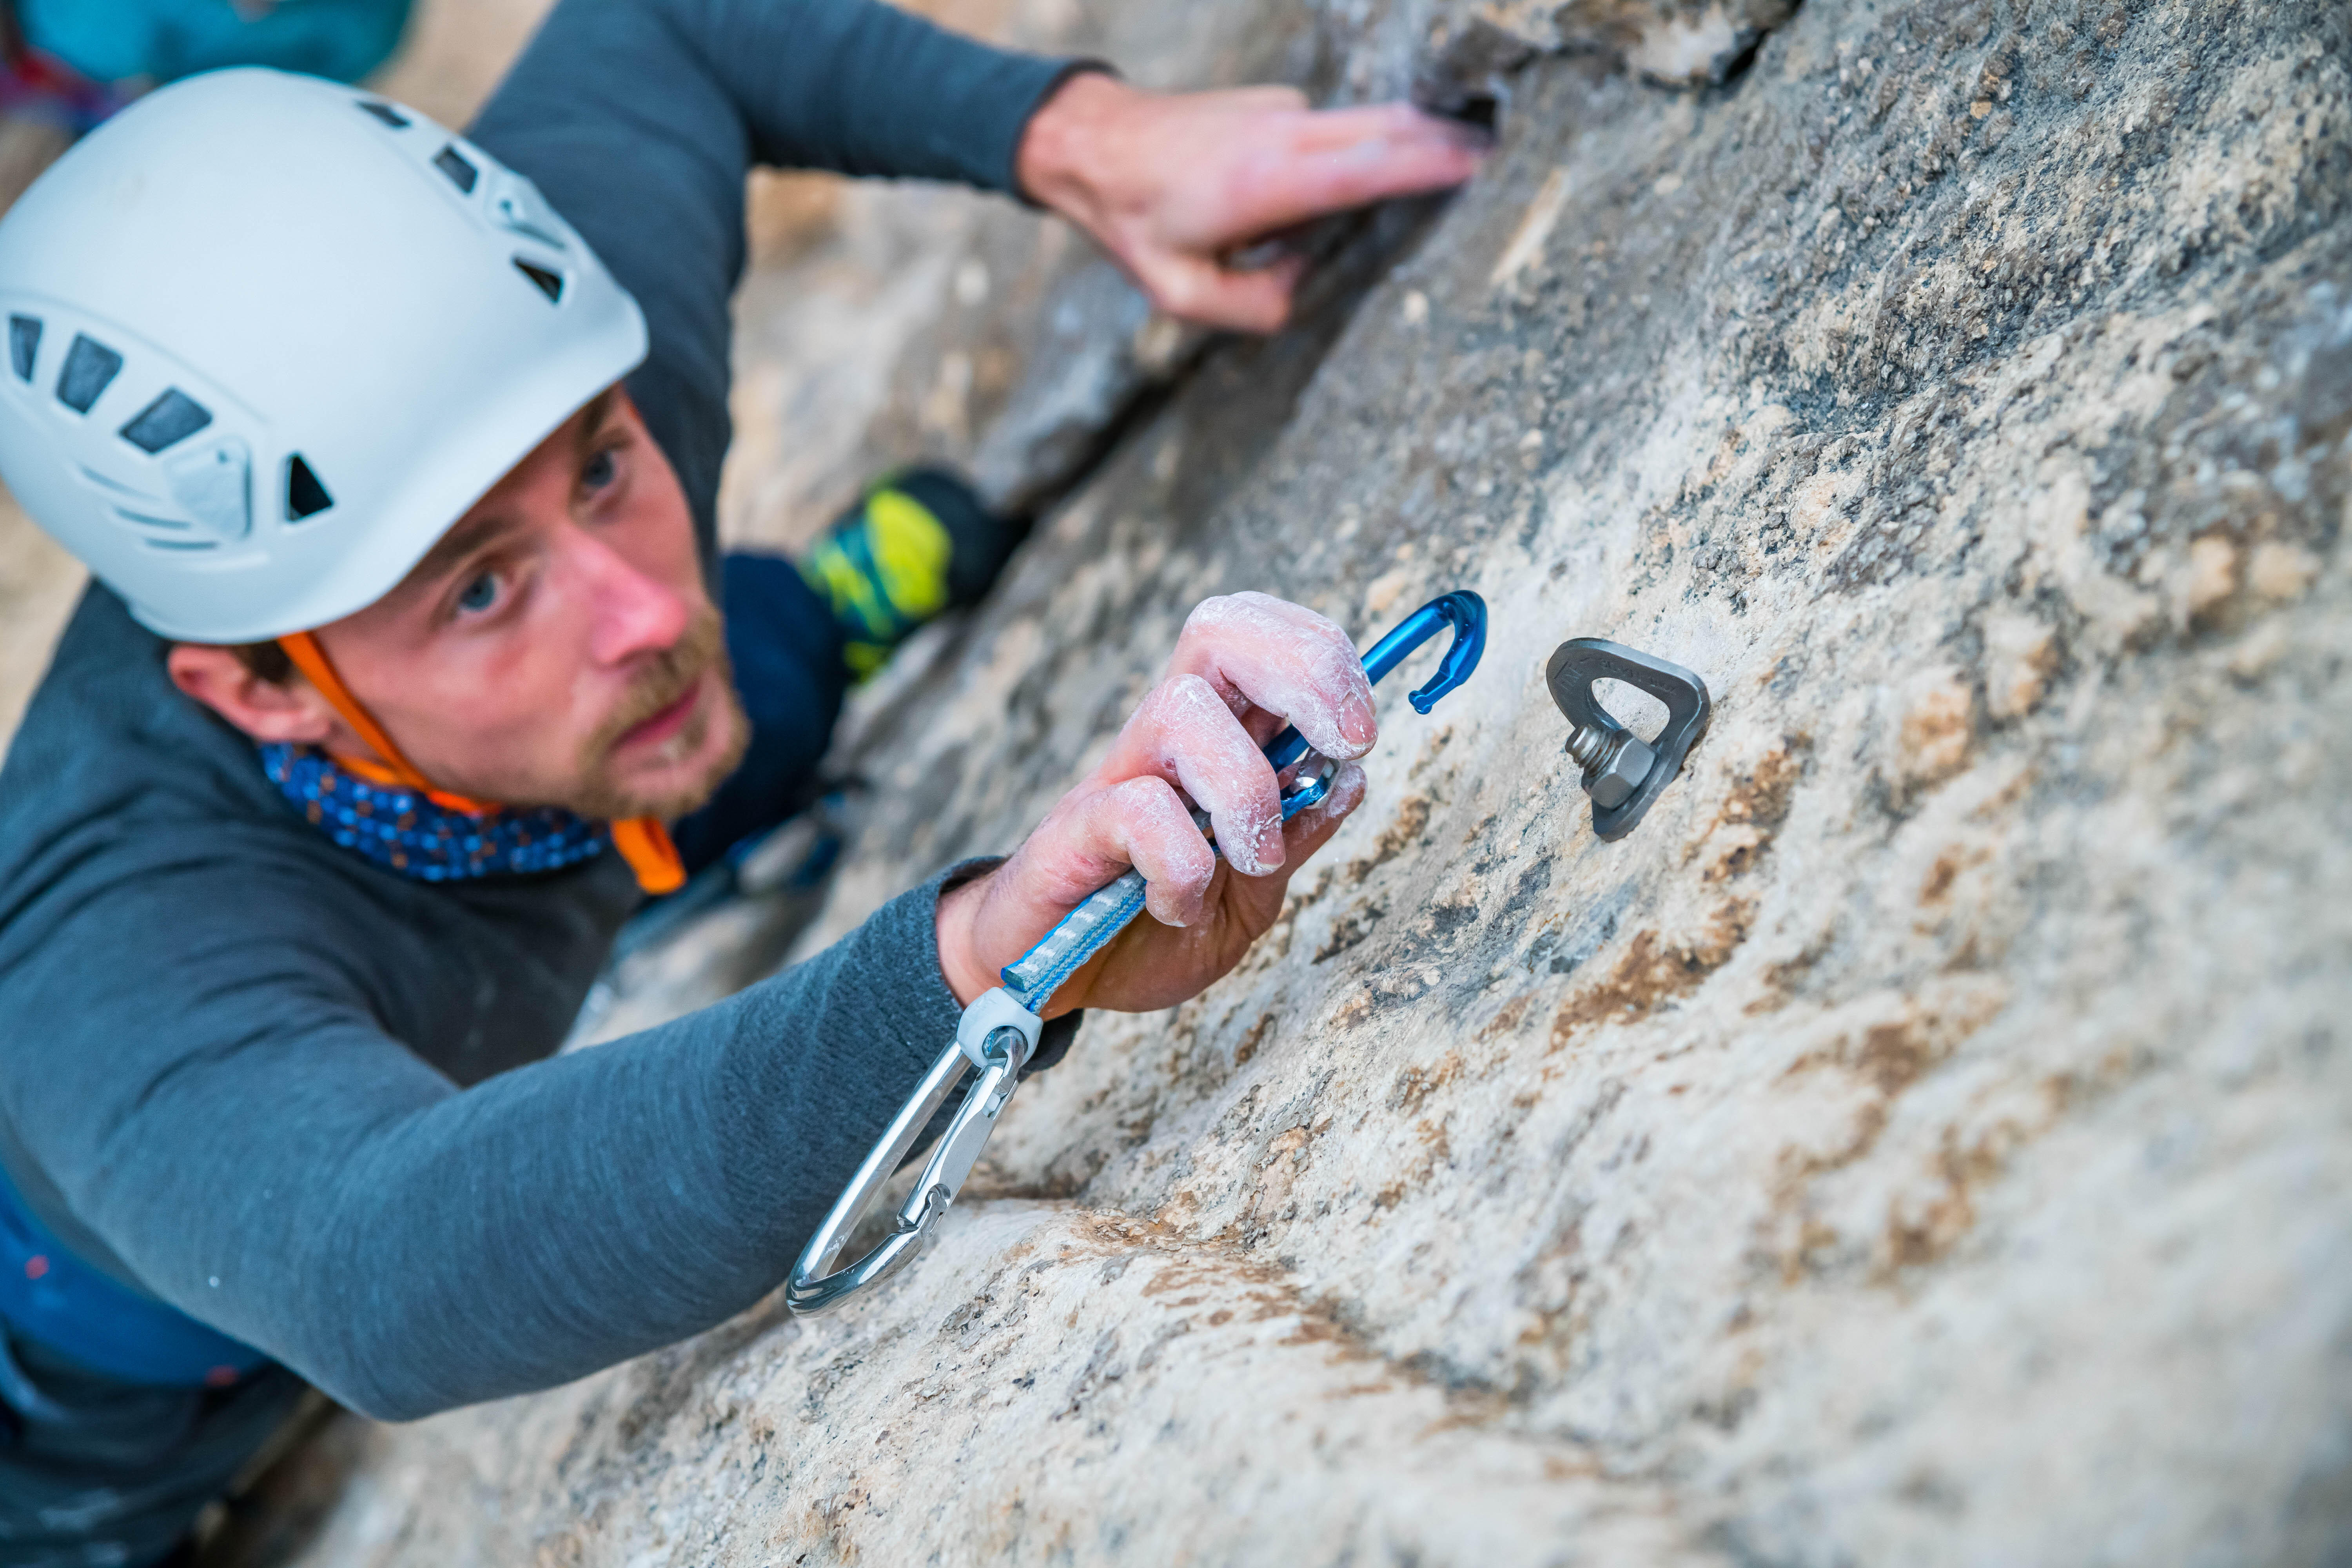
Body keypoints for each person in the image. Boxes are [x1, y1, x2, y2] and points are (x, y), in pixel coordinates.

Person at [0, 1, 1483, 1562]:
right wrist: (973, 967)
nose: (636, 597)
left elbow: (658, 30)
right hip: (65, 1364)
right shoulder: (114, 963)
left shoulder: (540, 353)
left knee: (734, 673)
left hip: (544, 801)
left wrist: (1094, 146)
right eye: (482, 592)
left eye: (603, 468)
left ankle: (809, 613)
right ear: (254, 690)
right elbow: (377, 1265)